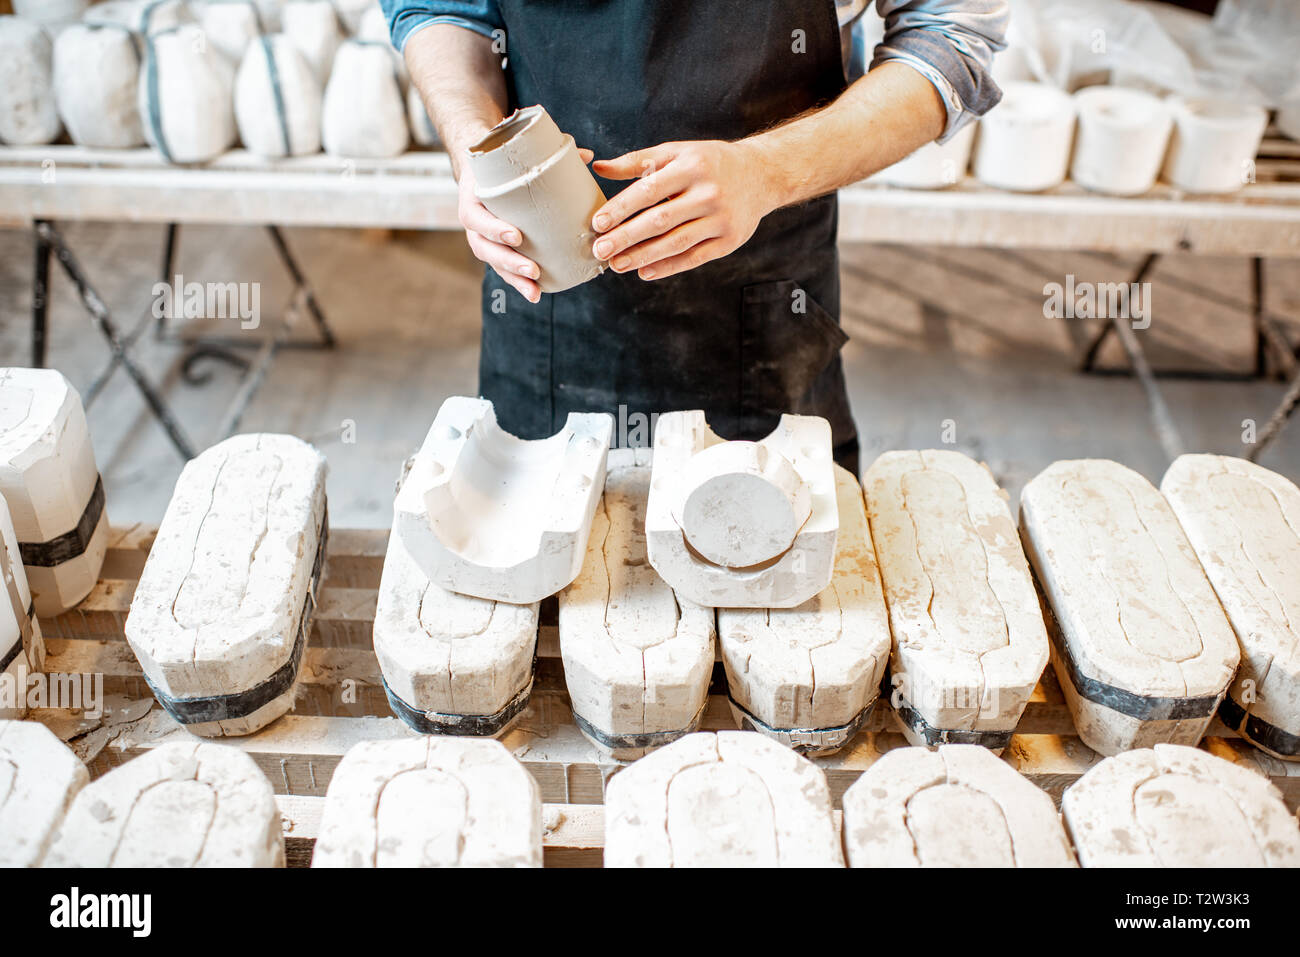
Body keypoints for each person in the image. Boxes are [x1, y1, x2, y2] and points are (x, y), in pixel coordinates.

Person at [382, 0, 1009, 474]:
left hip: (761, 307)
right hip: (548, 311)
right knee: (542, 589)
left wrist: (766, 172)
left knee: (772, 598)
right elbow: (446, 9)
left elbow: (949, 33)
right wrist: (477, 146)